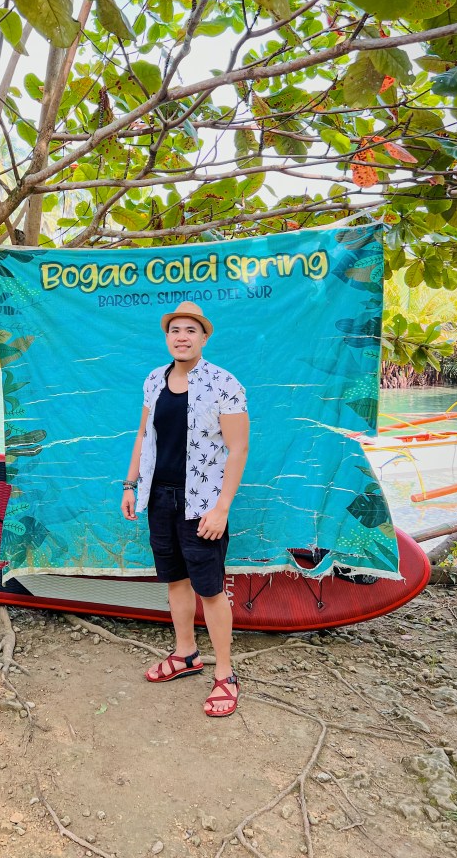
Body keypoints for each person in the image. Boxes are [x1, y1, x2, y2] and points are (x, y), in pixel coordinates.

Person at [121, 301, 249, 717]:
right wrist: (130, 484)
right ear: (167, 337)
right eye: (174, 330)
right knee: (175, 581)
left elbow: (238, 448)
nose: (181, 336)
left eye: (190, 330)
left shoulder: (224, 383)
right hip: (161, 497)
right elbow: (144, 435)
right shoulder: (154, 381)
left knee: (209, 589)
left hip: (203, 503)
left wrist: (222, 508)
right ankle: (186, 654)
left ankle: (225, 675)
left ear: (204, 337)